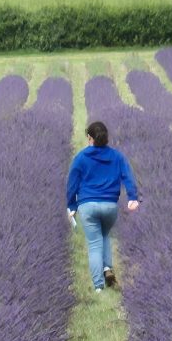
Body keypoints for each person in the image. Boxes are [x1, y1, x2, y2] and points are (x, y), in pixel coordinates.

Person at [66, 121, 139, 293]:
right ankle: (107, 269)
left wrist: (71, 205)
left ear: (89, 138)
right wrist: (132, 197)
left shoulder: (81, 158)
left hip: (88, 205)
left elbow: (72, 184)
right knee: (105, 235)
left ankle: (99, 287)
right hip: (109, 206)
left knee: (94, 244)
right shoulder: (117, 156)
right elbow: (128, 176)